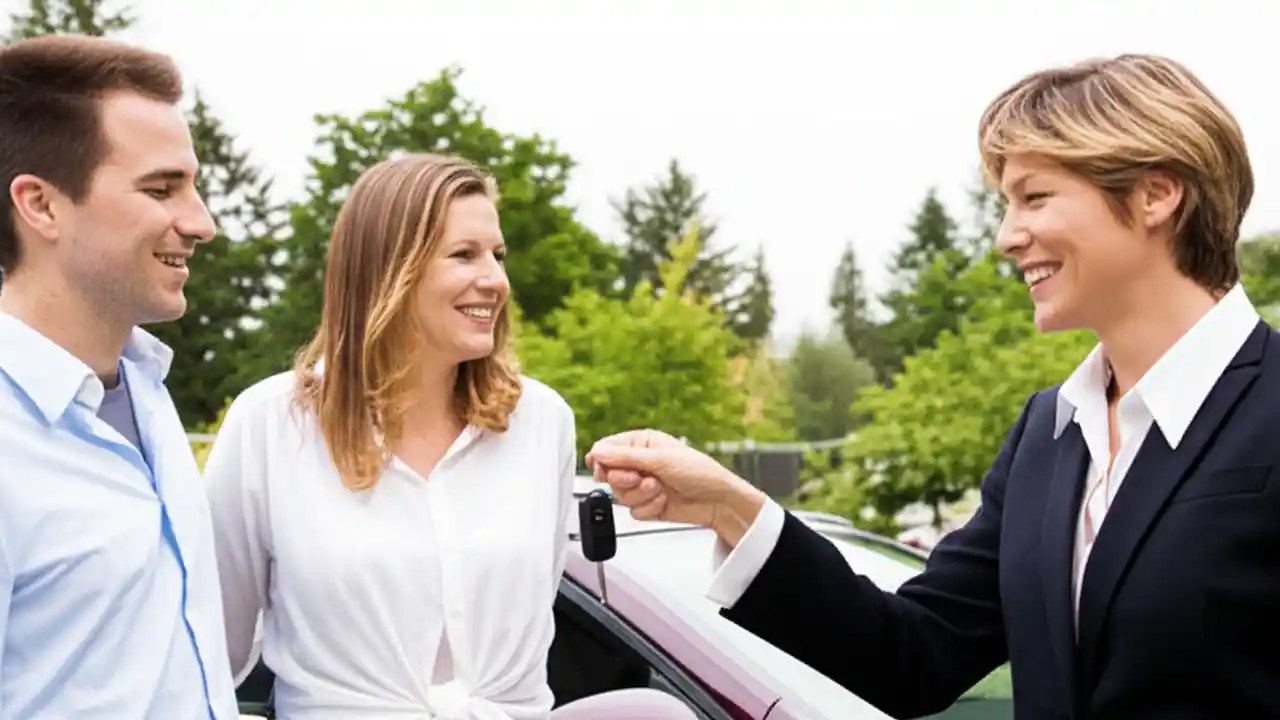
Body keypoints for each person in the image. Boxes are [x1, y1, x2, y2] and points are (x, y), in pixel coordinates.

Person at [588, 53, 1277, 719]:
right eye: (1006, 204)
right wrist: (731, 509)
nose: (1008, 236)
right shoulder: (1049, 432)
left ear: (1157, 193)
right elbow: (914, 653)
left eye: (1035, 197)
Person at [203, 153, 694, 719]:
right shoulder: (268, 425)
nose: (495, 280)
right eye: (464, 255)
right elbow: (212, 650)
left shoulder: (542, 423)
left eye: (497, 255)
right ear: (388, 269)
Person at [0, 35, 240, 718]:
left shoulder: (144, 391)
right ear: (40, 205)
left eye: (194, 187)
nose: (201, 223)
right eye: (161, 188)